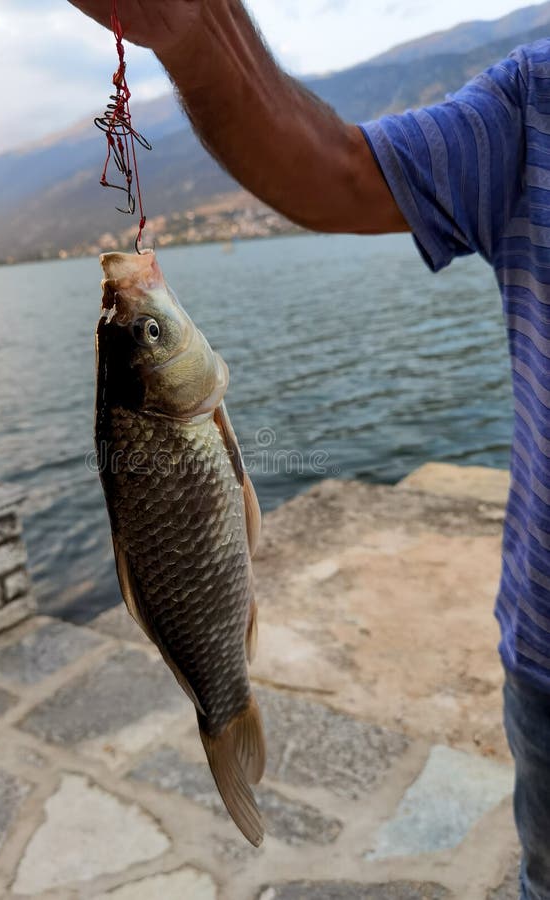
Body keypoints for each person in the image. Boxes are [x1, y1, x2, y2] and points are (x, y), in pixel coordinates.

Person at [69, 2, 550, 896]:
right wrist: (194, 28)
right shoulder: (536, 97)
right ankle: (224, 709)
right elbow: (333, 168)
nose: (137, 324)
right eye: (138, 340)